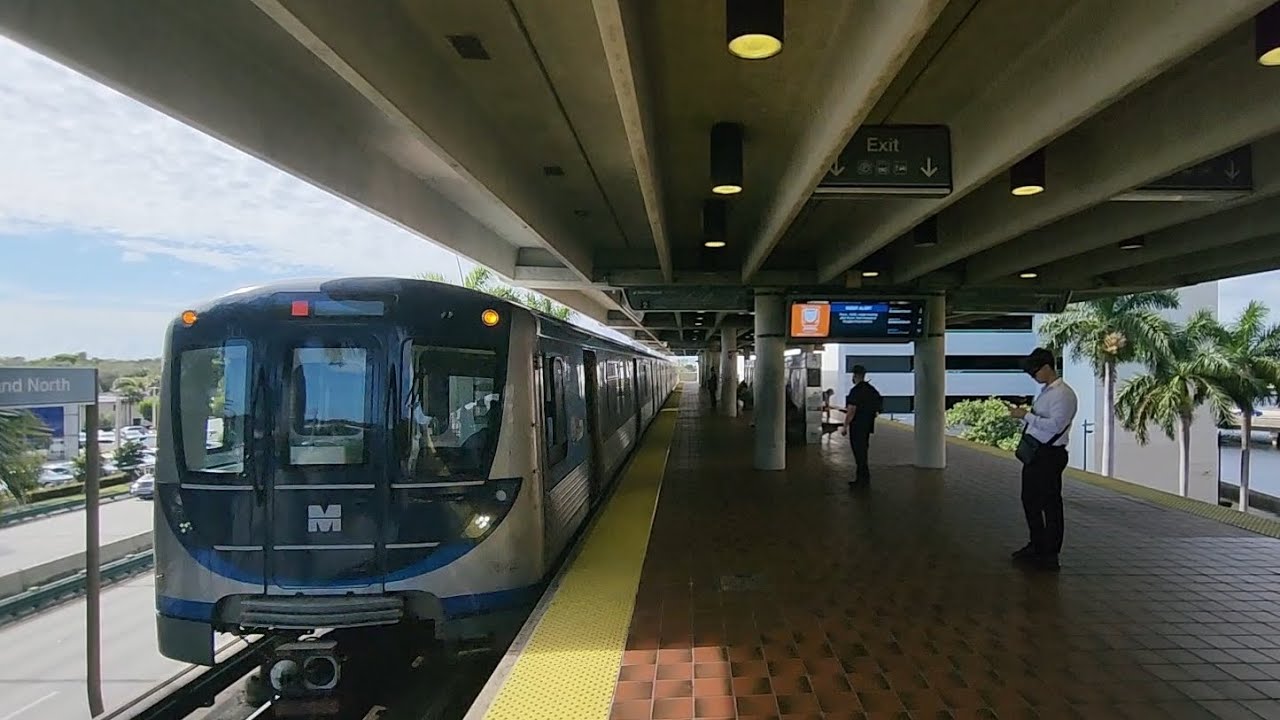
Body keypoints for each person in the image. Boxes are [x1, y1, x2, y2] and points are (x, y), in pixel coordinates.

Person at [1007, 347, 1077, 571]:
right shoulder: (1047, 391)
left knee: (1050, 504)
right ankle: (1037, 544)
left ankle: (1050, 552)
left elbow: (1055, 425)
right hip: (1037, 453)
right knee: (1030, 500)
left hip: (1050, 454)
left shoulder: (1063, 394)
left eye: (1034, 372)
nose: (1033, 376)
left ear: (1047, 368)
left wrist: (1025, 415)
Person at [840, 365, 882, 485]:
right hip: (867, 426)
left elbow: (851, 411)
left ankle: (862, 479)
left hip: (857, 426)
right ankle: (864, 478)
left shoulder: (855, 391)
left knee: (858, 452)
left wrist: (845, 426)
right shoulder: (871, 390)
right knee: (863, 451)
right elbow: (878, 408)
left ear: (855, 376)